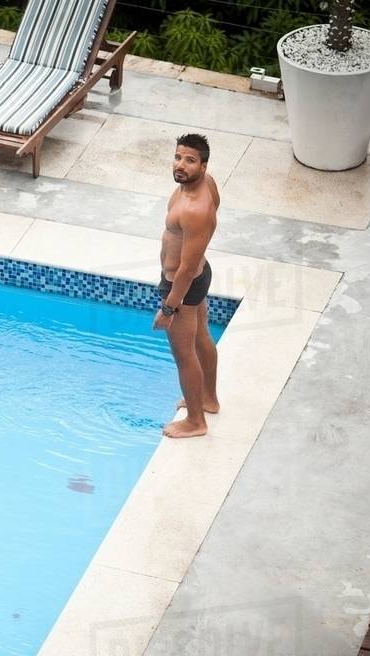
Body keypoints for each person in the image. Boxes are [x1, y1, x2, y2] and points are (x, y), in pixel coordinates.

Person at [154, 133, 220, 439]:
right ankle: (208, 398)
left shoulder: (195, 209)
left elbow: (187, 267)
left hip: (183, 284)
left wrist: (169, 307)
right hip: (198, 275)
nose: (181, 165)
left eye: (190, 160)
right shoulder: (205, 185)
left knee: (184, 354)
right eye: (178, 157)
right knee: (201, 337)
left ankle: (196, 421)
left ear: (203, 166)